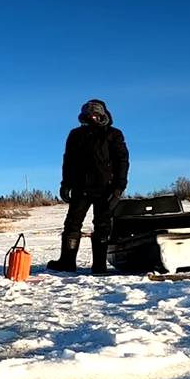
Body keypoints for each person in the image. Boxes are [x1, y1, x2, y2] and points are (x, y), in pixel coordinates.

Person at [47, 99, 129, 274]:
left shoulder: (114, 134)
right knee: (72, 225)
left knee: (103, 225)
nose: (91, 117)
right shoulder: (75, 135)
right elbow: (68, 161)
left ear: (102, 115)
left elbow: (122, 161)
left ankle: (100, 265)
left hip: (106, 188)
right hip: (80, 187)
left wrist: (119, 186)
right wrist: (65, 184)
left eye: (94, 114)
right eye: (87, 114)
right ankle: (67, 262)